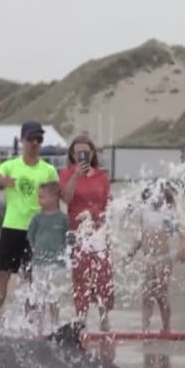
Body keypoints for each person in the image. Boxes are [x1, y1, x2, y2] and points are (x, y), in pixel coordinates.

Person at [0, 121, 60, 328]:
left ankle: (32, 325)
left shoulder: (49, 170)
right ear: (22, 141)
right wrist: (1, 180)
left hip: (37, 231)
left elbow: (56, 199)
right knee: (1, 278)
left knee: (32, 280)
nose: (35, 143)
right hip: (12, 228)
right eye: (31, 139)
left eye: (39, 139)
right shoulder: (11, 165)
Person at [59, 134, 114, 331]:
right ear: (73, 155)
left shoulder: (102, 176)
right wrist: (76, 175)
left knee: (102, 275)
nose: (83, 155)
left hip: (98, 230)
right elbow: (66, 198)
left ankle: (104, 317)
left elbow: (107, 204)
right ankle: (80, 318)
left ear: (92, 153)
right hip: (77, 230)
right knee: (80, 277)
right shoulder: (66, 174)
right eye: (79, 152)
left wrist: (107, 229)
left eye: (86, 152)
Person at [128, 183, 185, 334]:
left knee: (161, 294)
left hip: (163, 258)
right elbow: (140, 237)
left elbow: (182, 232)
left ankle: (166, 327)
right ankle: (145, 328)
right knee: (147, 295)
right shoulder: (144, 212)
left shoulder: (168, 213)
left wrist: (182, 248)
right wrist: (131, 252)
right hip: (148, 258)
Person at [26, 184, 70, 332]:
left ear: (54, 197)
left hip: (57, 264)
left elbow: (67, 239)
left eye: (42, 196)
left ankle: (54, 325)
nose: (39, 200)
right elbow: (31, 237)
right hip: (39, 263)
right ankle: (39, 328)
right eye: (39, 196)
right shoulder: (37, 218)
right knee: (39, 297)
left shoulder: (63, 219)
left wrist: (63, 255)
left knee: (54, 296)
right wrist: (37, 251)